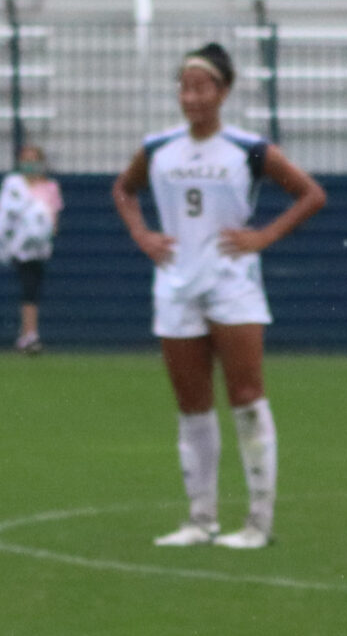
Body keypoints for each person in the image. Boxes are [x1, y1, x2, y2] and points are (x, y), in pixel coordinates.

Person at [113, 43, 327, 550]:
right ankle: (201, 518)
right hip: (175, 285)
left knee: (247, 398)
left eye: (202, 86)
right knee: (191, 406)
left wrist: (264, 236)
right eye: (185, 86)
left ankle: (258, 523)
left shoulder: (249, 149)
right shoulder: (157, 148)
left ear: (223, 92)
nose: (191, 96)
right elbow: (123, 190)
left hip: (233, 286)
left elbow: (311, 194)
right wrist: (142, 235)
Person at [0, 143, 63, 354]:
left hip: (39, 248)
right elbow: (5, 215)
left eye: (33, 160)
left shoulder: (50, 187)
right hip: (19, 247)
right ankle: (29, 334)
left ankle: (28, 334)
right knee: (30, 289)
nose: (29, 165)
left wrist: (43, 233)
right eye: (25, 160)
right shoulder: (14, 186)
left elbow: (53, 219)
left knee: (33, 289)